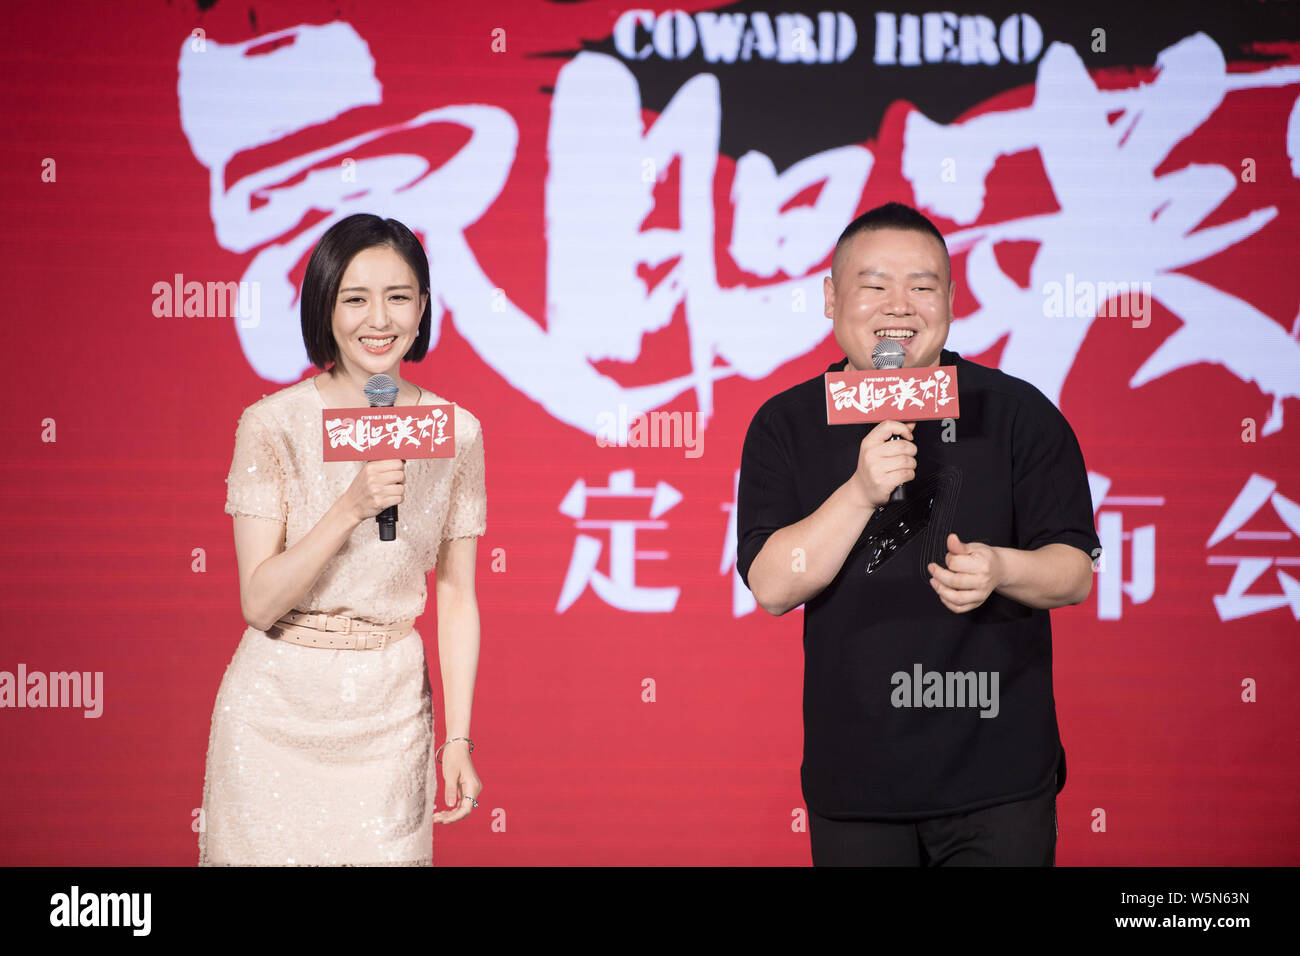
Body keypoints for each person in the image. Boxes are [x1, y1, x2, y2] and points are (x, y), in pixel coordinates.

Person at [736, 201, 1099, 866]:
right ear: (831, 297)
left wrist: (1000, 569)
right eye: (874, 286)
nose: (899, 307)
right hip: (858, 786)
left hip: (999, 781)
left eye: (923, 287)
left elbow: (1074, 569)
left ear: (953, 300)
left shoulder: (1015, 412)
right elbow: (772, 584)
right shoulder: (786, 424)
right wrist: (859, 492)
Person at [199, 213, 486, 866]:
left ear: (423, 308)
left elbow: (457, 595)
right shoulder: (272, 426)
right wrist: (349, 507)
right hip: (274, 712)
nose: (378, 319)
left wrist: (459, 741)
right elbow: (259, 603)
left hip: (389, 716)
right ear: (324, 307)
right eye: (355, 298)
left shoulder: (456, 432)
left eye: (398, 296)